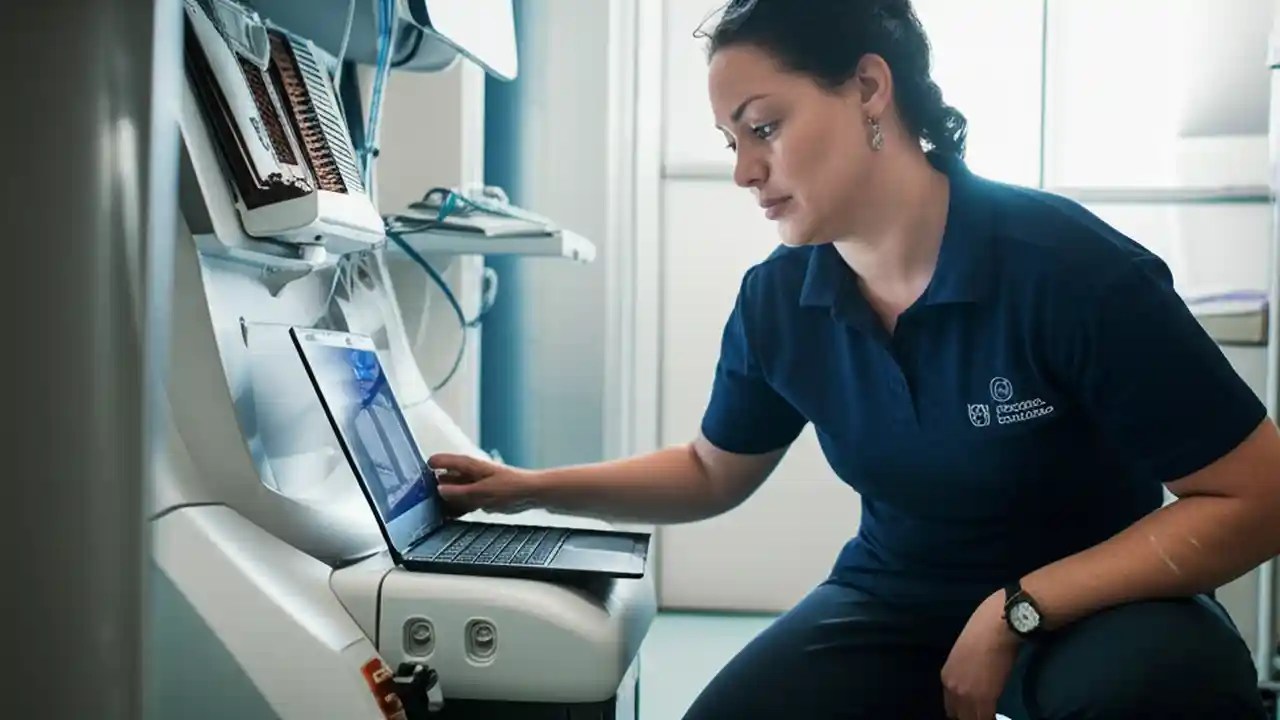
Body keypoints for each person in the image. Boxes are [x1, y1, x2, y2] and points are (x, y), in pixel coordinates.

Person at [427, 0, 1280, 717]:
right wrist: (528, 490)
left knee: (1171, 694)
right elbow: (709, 472)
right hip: (895, 595)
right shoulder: (779, 301)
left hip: (1093, 599)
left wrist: (1018, 610)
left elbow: (1258, 496)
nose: (745, 172)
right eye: (731, 142)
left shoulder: (1070, 271)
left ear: (871, 88)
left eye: (763, 126)